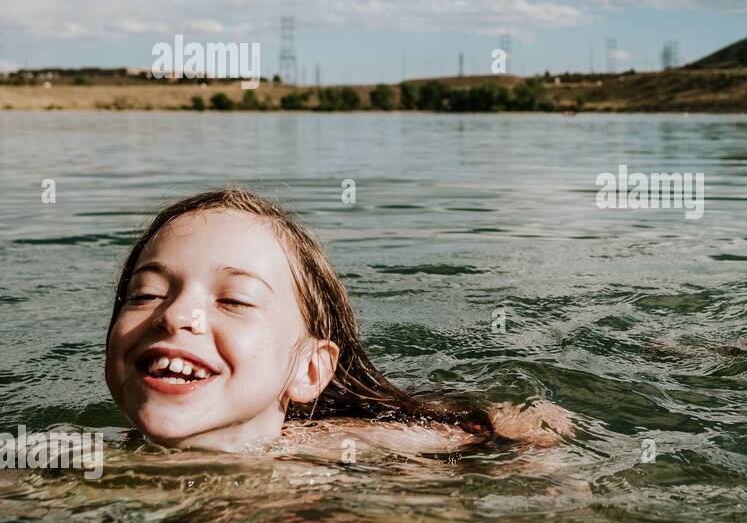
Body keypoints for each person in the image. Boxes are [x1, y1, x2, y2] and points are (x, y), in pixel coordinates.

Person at [104, 185, 574, 454]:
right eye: (146, 294)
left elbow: (509, 431)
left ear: (309, 371)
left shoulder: (352, 448)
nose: (176, 315)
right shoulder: (70, 468)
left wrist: (538, 453)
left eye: (235, 300)